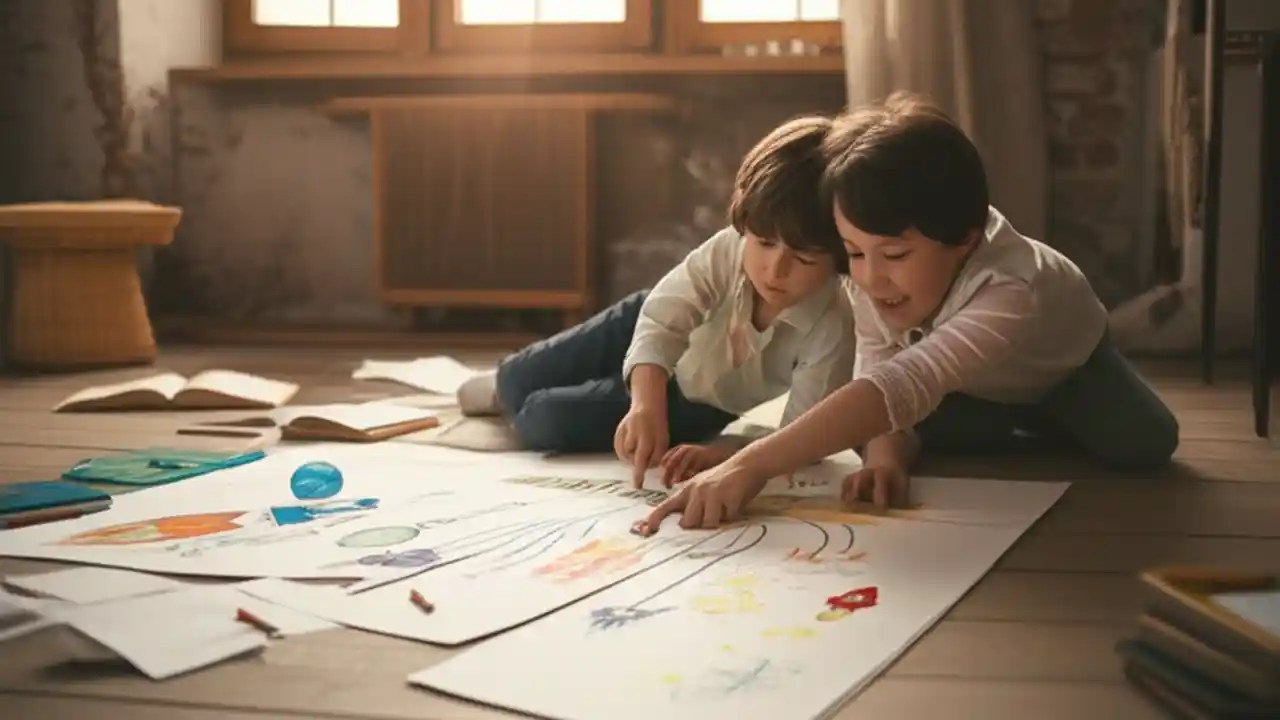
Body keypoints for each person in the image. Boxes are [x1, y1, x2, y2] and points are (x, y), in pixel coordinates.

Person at [635, 92, 1180, 533]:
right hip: (967, 385)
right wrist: (885, 456)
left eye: (895, 255)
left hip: (1066, 370)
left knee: (1143, 442)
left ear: (964, 240)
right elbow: (878, 364)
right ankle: (1000, 423)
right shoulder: (870, 276)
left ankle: (1041, 418)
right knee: (865, 427)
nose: (870, 277)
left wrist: (745, 465)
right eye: (853, 252)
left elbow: (906, 379)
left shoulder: (1012, 286)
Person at [457, 115, 856, 486]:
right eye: (764, 243)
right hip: (641, 327)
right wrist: (645, 405)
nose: (776, 269)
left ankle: (550, 402)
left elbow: (801, 433)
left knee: (541, 419)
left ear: (842, 255)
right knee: (514, 382)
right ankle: (503, 389)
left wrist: (722, 453)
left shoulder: (832, 326)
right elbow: (664, 317)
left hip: (698, 402)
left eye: (804, 258)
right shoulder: (729, 250)